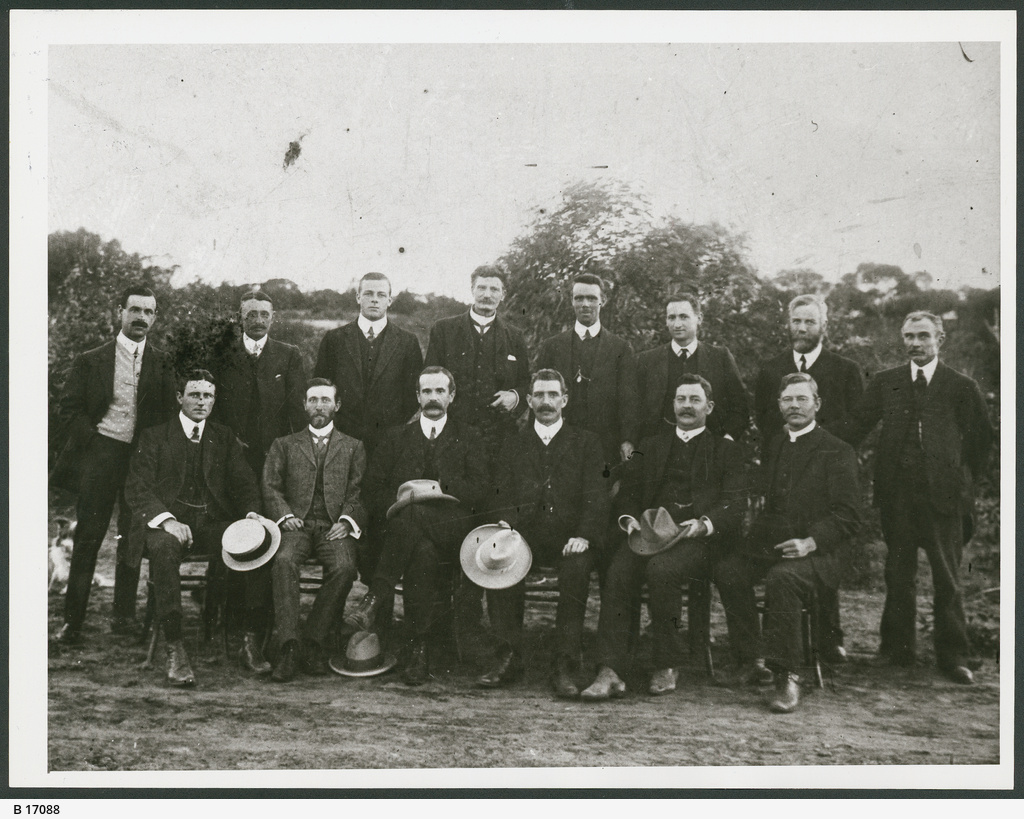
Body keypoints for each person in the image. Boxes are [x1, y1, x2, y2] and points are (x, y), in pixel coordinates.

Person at [841, 311, 994, 684]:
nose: (915, 343)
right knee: (898, 575)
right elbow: (857, 427)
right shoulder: (886, 382)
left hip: (945, 500)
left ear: (939, 339)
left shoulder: (961, 386)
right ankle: (896, 650)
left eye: (923, 336)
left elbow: (981, 443)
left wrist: (960, 481)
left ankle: (954, 655)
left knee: (947, 578)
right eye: (908, 336)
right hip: (897, 498)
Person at [582, 375, 747, 700]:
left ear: (709, 407)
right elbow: (628, 493)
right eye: (681, 399)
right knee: (618, 571)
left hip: (697, 540)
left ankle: (667, 663)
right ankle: (610, 669)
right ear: (673, 405)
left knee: (663, 571)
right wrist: (629, 520)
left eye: (694, 400)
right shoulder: (651, 446)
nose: (687, 406)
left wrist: (704, 524)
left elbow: (735, 503)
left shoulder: (725, 450)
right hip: (651, 533)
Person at [715, 373, 861, 713]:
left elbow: (849, 516)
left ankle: (788, 675)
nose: (794, 406)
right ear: (779, 405)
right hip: (775, 544)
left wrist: (810, 542)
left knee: (784, 578)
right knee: (729, 570)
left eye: (801, 399)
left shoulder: (838, 450)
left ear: (817, 404)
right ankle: (751, 659)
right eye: (787, 400)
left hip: (820, 552)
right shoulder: (777, 443)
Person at [124, 370, 273, 686]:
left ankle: (249, 640)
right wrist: (166, 520)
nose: (201, 401)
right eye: (195, 394)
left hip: (210, 524)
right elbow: (137, 487)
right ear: (180, 398)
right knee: (165, 549)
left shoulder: (223, 437)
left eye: (207, 396)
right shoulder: (155, 436)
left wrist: (251, 513)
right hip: (166, 524)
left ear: (214, 400)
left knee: (255, 542)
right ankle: (175, 645)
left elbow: (244, 481)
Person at [344, 366, 490, 685]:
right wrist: (402, 498)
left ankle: (376, 597)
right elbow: (373, 488)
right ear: (417, 396)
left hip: (453, 531)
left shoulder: (470, 437)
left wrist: (439, 489)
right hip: (407, 534)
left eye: (440, 391)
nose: (433, 398)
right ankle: (419, 648)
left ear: (452, 396)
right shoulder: (395, 437)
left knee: (412, 522)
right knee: (421, 550)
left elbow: (480, 488)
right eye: (427, 391)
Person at [51, 284, 177, 644]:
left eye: (148, 312)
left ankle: (123, 617)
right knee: (89, 538)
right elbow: (69, 411)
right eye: (134, 309)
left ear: (155, 317)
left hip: (140, 463)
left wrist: (155, 456)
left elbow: (168, 415)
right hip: (100, 458)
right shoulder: (91, 359)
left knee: (131, 539)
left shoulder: (164, 362)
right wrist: (94, 445)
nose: (141, 317)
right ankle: (72, 621)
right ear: (119, 312)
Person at [477, 369, 608, 698]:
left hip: (570, 538)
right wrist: (506, 523)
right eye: (539, 395)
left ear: (564, 400)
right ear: (530, 400)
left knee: (577, 569)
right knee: (501, 561)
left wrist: (584, 535)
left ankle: (565, 662)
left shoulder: (586, 442)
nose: (546, 402)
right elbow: (500, 492)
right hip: (526, 535)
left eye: (553, 395)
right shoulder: (514, 443)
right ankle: (508, 655)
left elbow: (597, 495)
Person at [753, 293, 865, 663]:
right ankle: (753, 654)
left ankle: (820, 644)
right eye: (796, 321)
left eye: (810, 322)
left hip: (827, 473)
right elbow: (766, 421)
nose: (802, 328)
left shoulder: (844, 369)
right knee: (736, 566)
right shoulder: (771, 370)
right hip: (784, 465)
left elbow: (856, 421)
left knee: (796, 571)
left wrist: (820, 447)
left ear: (823, 327)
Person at [261, 378, 368, 682]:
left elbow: (357, 492)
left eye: (325, 400)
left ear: (337, 405)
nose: (319, 406)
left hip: (333, 527)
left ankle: (313, 641)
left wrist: (346, 522)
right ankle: (289, 645)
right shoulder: (284, 444)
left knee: (345, 567)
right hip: (297, 526)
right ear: (304, 405)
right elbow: (270, 486)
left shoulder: (353, 446)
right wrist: (284, 516)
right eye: (313, 400)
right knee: (283, 562)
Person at [424, 265, 530, 470]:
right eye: (481, 288)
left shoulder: (514, 336)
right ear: (472, 289)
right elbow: (428, 377)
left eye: (494, 289)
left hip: (498, 435)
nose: (487, 295)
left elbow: (526, 382)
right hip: (451, 432)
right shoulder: (444, 329)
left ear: (503, 294)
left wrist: (515, 396)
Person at [313, 272, 423, 458]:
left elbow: (413, 393)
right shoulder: (334, 339)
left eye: (381, 295)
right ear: (358, 297)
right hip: (342, 437)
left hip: (389, 439)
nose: (374, 300)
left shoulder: (407, 342)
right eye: (368, 294)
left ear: (389, 300)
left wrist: (393, 424)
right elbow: (321, 386)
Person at [535, 272, 639, 469]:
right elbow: (538, 396)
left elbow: (628, 400)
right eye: (579, 298)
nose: (585, 304)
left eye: (592, 298)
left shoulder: (620, 348)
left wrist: (627, 440)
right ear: (572, 301)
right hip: (559, 443)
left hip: (604, 445)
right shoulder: (552, 346)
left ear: (603, 301)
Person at [211, 290, 307, 480]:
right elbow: (213, 405)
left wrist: (289, 447)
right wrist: (228, 440)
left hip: (276, 452)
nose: (258, 321)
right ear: (239, 317)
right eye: (252, 314)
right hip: (231, 451)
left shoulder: (288, 355)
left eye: (264, 315)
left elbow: (297, 409)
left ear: (273, 317)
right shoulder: (221, 354)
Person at [636, 292, 749, 443]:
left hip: (709, 452)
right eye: (672, 317)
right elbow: (632, 410)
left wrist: (726, 441)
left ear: (699, 318)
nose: (677, 324)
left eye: (684, 317)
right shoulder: (647, 360)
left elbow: (740, 407)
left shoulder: (720, 358)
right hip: (659, 453)